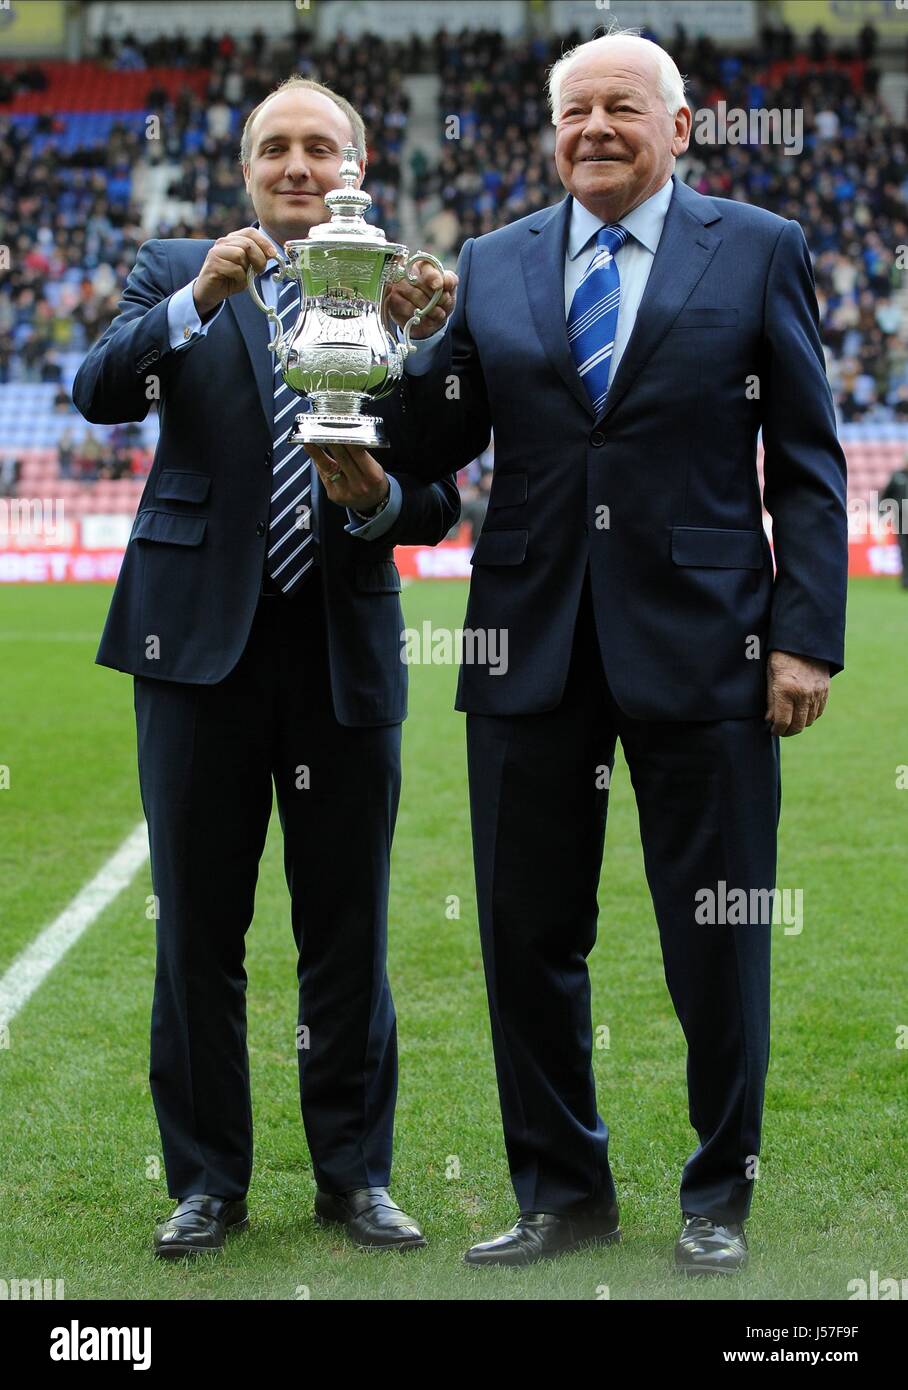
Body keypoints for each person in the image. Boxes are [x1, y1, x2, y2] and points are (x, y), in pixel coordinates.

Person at [380, 31, 848, 1272]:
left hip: (708, 645)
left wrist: (802, 638)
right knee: (524, 934)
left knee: (716, 928)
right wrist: (394, 349)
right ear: (550, 133)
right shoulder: (491, 260)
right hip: (526, 641)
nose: (593, 126)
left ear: (677, 127)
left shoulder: (756, 248)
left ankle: (716, 1194)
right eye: (573, 110)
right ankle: (561, 1191)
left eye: (620, 108)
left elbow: (804, 464)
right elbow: (435, 441)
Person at [72, 76, 459, 1260]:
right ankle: (205, 1180)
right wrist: (195, 298)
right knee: (196, 925)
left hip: (342, 641)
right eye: (274, 149)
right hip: (195, 648)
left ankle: (355, 1178)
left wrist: (384, 485)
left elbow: (436, 496)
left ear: (355, 167)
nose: (297, 166)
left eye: (320, 148)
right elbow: (97, 395)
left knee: (348, 927)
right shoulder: (174, 264)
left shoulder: (409, 289)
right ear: (245, 168)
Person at [880, 462, 908, 588]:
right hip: (902, 518)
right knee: (904, 548)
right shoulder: (897, 477)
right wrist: (882, 512)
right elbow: (886, 495)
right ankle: (905, 579)